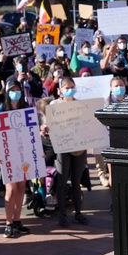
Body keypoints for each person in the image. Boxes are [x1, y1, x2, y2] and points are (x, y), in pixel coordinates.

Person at [0, 82, 32, 238]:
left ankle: (17, 220)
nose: (15, 93)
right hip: (8, 154)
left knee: (21, 187)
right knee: (11, 189)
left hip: (23, 153)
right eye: (12, 90)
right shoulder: (0, 110)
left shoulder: (26, 109)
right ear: (6, 92)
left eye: (18, 90)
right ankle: (8, 223)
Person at [46, 77, 90, 227]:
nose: (70, 90)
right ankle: (63, 214)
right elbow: (49, 124)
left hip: (78, 148)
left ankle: (78, 213)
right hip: (63, 147)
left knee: (76, 182)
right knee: (62, 181)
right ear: (60, 90)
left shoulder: (81, 105)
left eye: (72, 86)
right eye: (67, 87)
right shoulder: (55, 105)